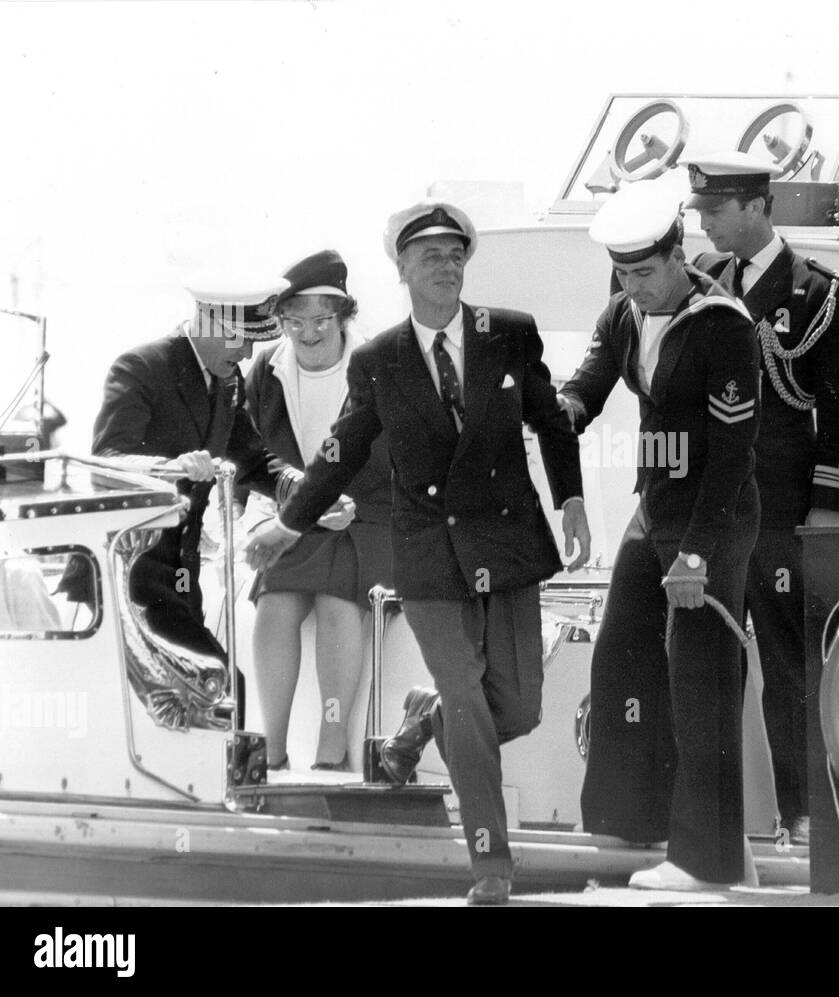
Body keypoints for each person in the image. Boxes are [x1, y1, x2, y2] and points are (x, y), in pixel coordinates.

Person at [244, 200, 590, 906]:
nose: (447, 264)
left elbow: (552, 423)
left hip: (508, 543)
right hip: (430, 552)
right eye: (429, 254)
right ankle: (490, 862)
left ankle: (421, 715)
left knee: (517, 709)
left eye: (456, 252)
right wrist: (291, 521)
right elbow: (339, 453)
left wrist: (572, 501)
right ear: (400, 268)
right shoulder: (379, 361)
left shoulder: (510, 336)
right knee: (469, 698)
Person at [558, 179, 762, 890]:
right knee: (621, 661)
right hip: (654, 512)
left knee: (700, 683)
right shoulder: (622, 312)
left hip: (715, 515)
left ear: (680, 255)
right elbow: (583, 392)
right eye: (622, 273)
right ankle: (633, 827)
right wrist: (542, 413)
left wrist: (699, 553)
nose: (633, 286)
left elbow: (734, 459)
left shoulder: (724, 324)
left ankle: (706, 860)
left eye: (645, 272)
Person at [687, 152, 839, 847]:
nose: (703, 221)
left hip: (782, 505)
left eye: (715, 209)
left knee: (790, 662)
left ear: (758, 207)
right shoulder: (708, 283)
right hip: (715, 508)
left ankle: (804, 812)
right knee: (707, 658)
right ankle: (709, 815)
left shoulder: (816, 294)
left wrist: (827, 505)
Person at [92, 279, 319, 727]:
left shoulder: (226, 377)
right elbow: (105, 461)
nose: (248, 355)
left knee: (217, 689)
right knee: (218, 687)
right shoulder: (142, 367)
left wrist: (312, 495)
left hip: (178, 577)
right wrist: (171, 467)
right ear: (206, 320)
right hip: (128, 579)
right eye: (240, 339)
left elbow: (253, 460)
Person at [243, 250, 393, 771]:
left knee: (337, 599)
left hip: (368, 515)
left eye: (321, 320)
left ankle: (332, 752)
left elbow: (400, 455)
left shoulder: (377, 362)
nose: (308, 334)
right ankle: (273, 751)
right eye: (295, 321)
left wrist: (343, 501)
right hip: (297, 513)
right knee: (275, 600)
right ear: (280, 321)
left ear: (344, 316)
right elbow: (251, 455)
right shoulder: (265, 367)